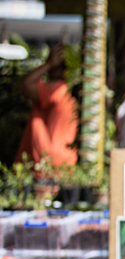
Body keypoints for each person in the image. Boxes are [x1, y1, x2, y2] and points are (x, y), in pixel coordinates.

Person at [16, 44, 78, 176]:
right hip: (62, 164)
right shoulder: (69, 93)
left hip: (47, 166)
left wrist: (48, 64)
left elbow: (24, 84)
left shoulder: (57, 90)